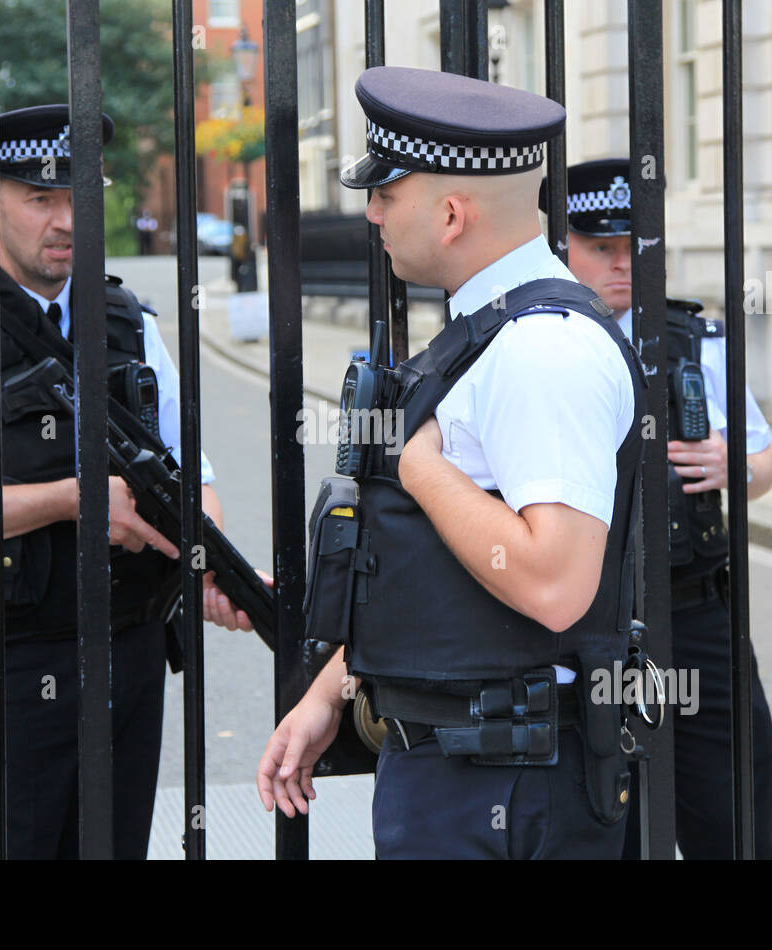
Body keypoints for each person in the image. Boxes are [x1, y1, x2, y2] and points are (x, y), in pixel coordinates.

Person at [255, 67, 647, 859]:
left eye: (386, 195)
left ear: (452, 211)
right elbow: (430, 560)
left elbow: (556, 583)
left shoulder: (543, 350)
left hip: (506, 781)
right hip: (461, 767)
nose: (370, 213)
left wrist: (420, 467)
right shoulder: (486, 333)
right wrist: (329, 691)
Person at [0, 104, 258, 859]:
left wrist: (207, 558)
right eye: (40, 199)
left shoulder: (129, 321)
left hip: (132, 657)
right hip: (9, 671)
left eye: (80, 195)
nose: (67, 219)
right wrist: (72, 500)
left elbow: (190, 470)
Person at [560, 157, 772, 859]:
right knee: (608, 818)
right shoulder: (538, 339)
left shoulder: (695, 343)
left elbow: (764, 462)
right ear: (562, 243)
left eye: (635, 249)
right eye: (601, 248)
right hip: (583, 623)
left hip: (694, 614)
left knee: (733, 806)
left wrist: (732, 465)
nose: (622, 266)